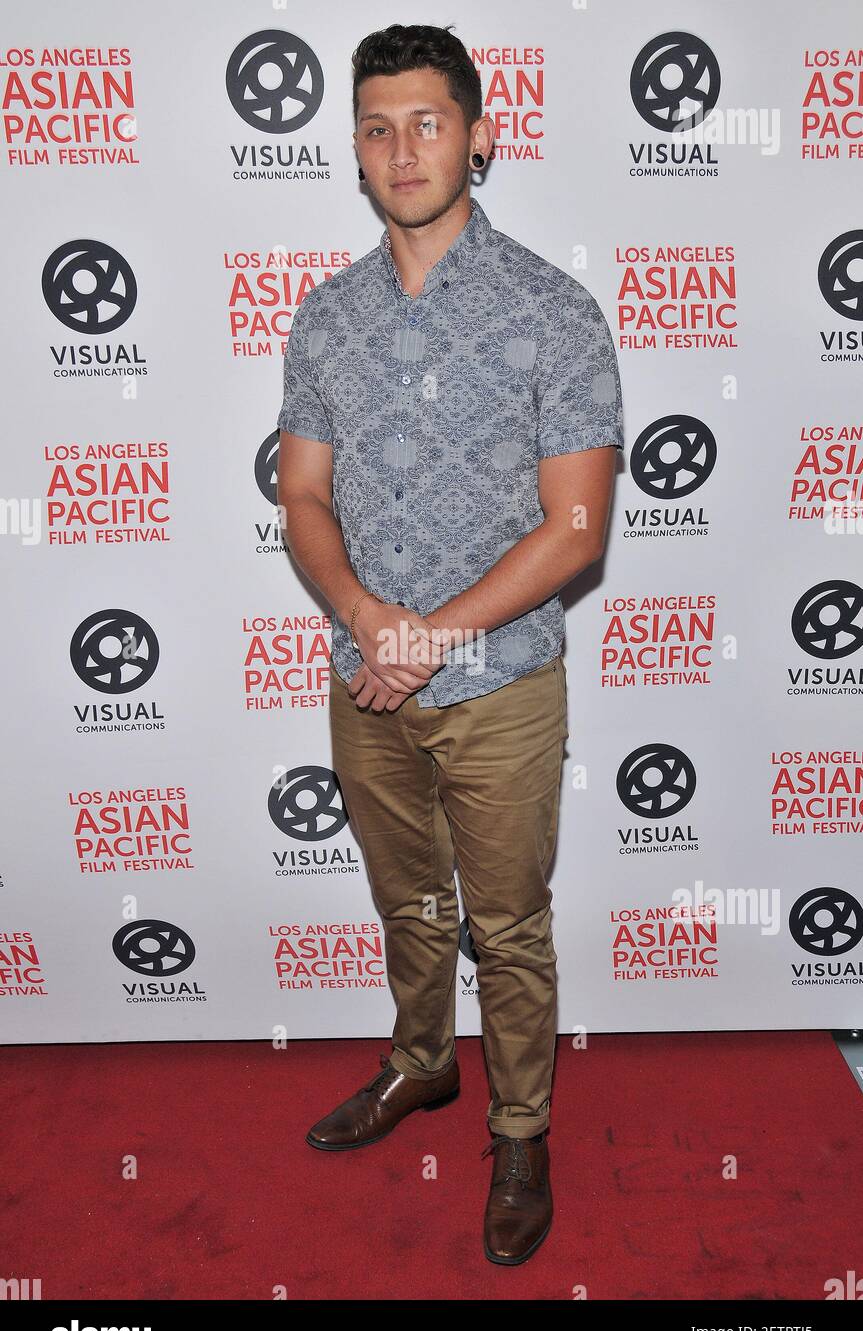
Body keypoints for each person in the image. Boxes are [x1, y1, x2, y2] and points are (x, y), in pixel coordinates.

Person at [276, 22, 624, 1266]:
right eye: (376, 126)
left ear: (481, 133)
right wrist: (368, 620)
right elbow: (303, 498)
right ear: (355, 150)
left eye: (427, 122)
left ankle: (520, 1127)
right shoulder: (324, 318)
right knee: (408, 903)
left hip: (503, 688)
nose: (401, 148)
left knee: (508, 922)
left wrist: (424, 636)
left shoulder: (554, 310)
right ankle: (421, 1065)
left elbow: (574, 529)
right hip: (363, 680)